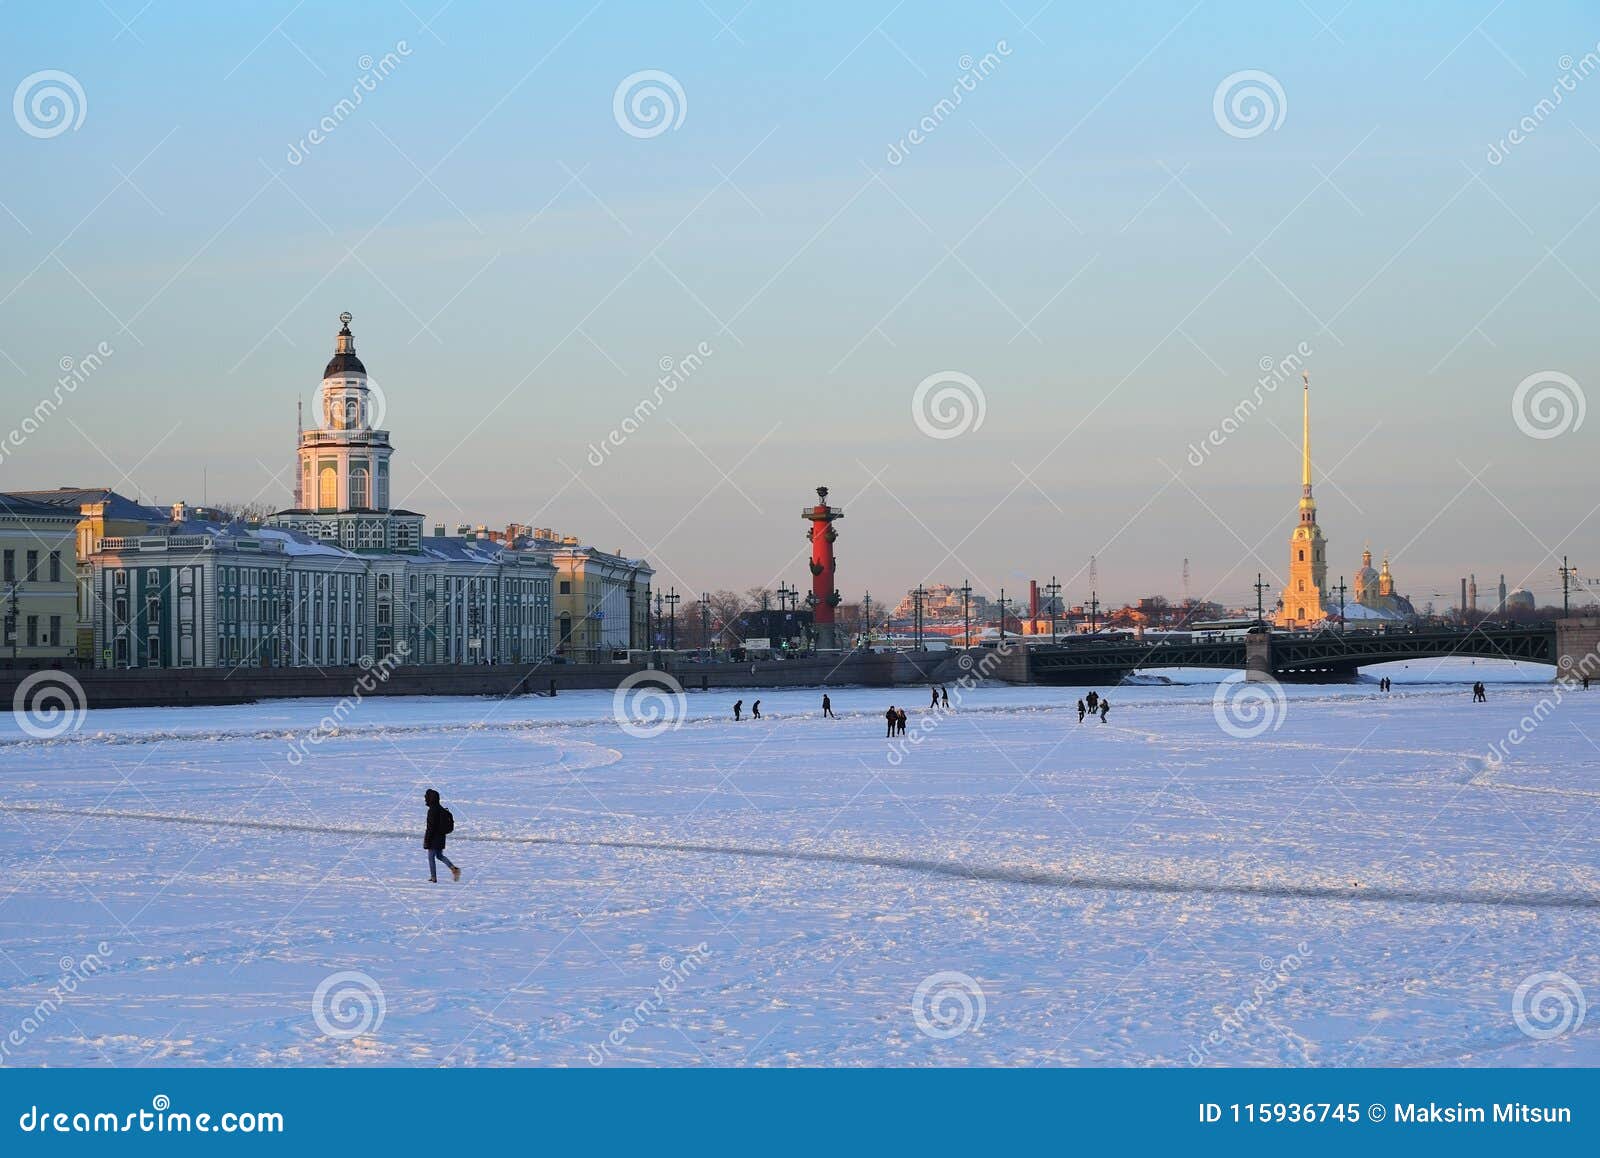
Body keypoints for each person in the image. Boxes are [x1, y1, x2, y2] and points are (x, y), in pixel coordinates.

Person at [423, 788, 460, 883]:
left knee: (431, 857)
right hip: (441, 837)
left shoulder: (432, 810)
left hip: (433, 837)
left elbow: (430, 827)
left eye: (426, 797)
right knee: (439, 855)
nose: (425, 799)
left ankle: (433, 878)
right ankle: (454, 869)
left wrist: (427, 840)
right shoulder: (441, 809)